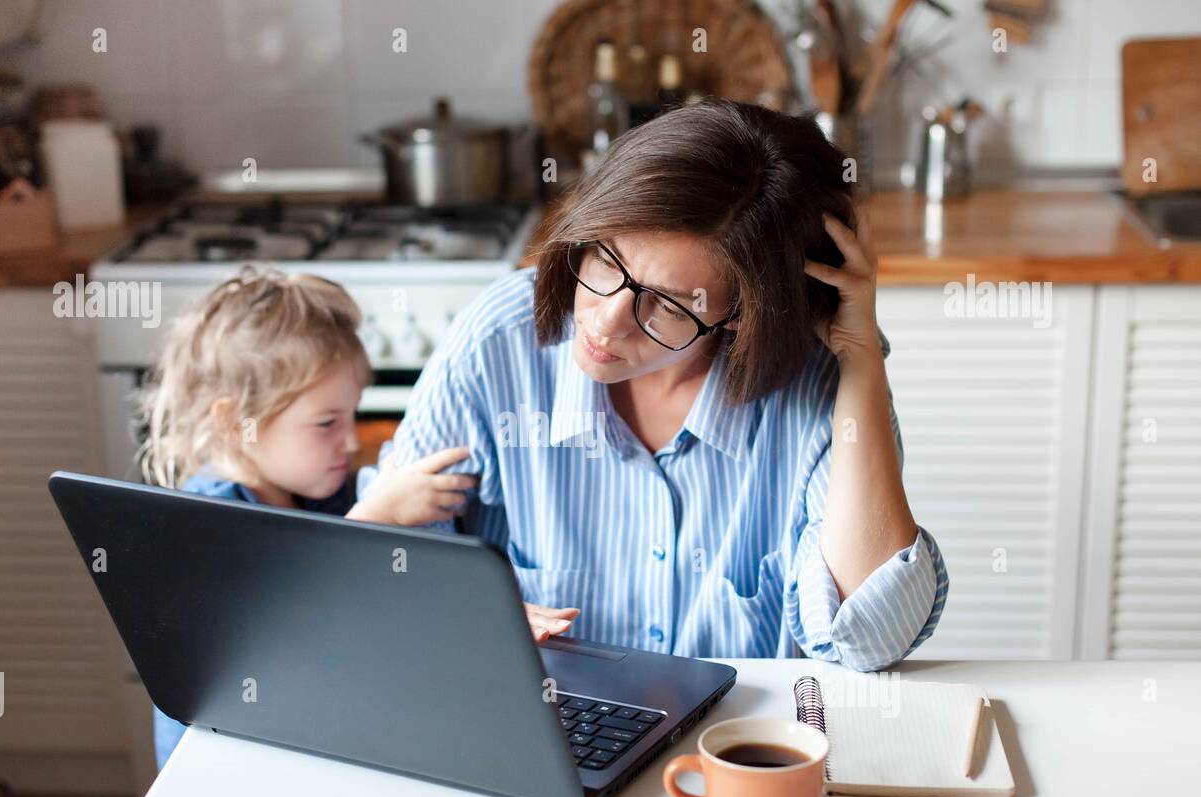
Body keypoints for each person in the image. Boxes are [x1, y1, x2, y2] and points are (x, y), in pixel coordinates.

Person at [359, 97, 950, 670]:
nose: (605, 320)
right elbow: (382, 564)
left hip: (731, 755)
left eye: (666, 304)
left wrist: (861, 356)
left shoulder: (820, 385)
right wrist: (470, 611)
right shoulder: (500, 342)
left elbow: (871, 640)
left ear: (740, 314)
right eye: (607, 260)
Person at [134, 268, 475, 769]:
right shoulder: (208, 524)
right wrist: (378, 516)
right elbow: (296, 634)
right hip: (222, 780)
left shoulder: (316, 492)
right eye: (326, 423)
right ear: (236, 424)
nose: (353, 441)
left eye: (352, 415)